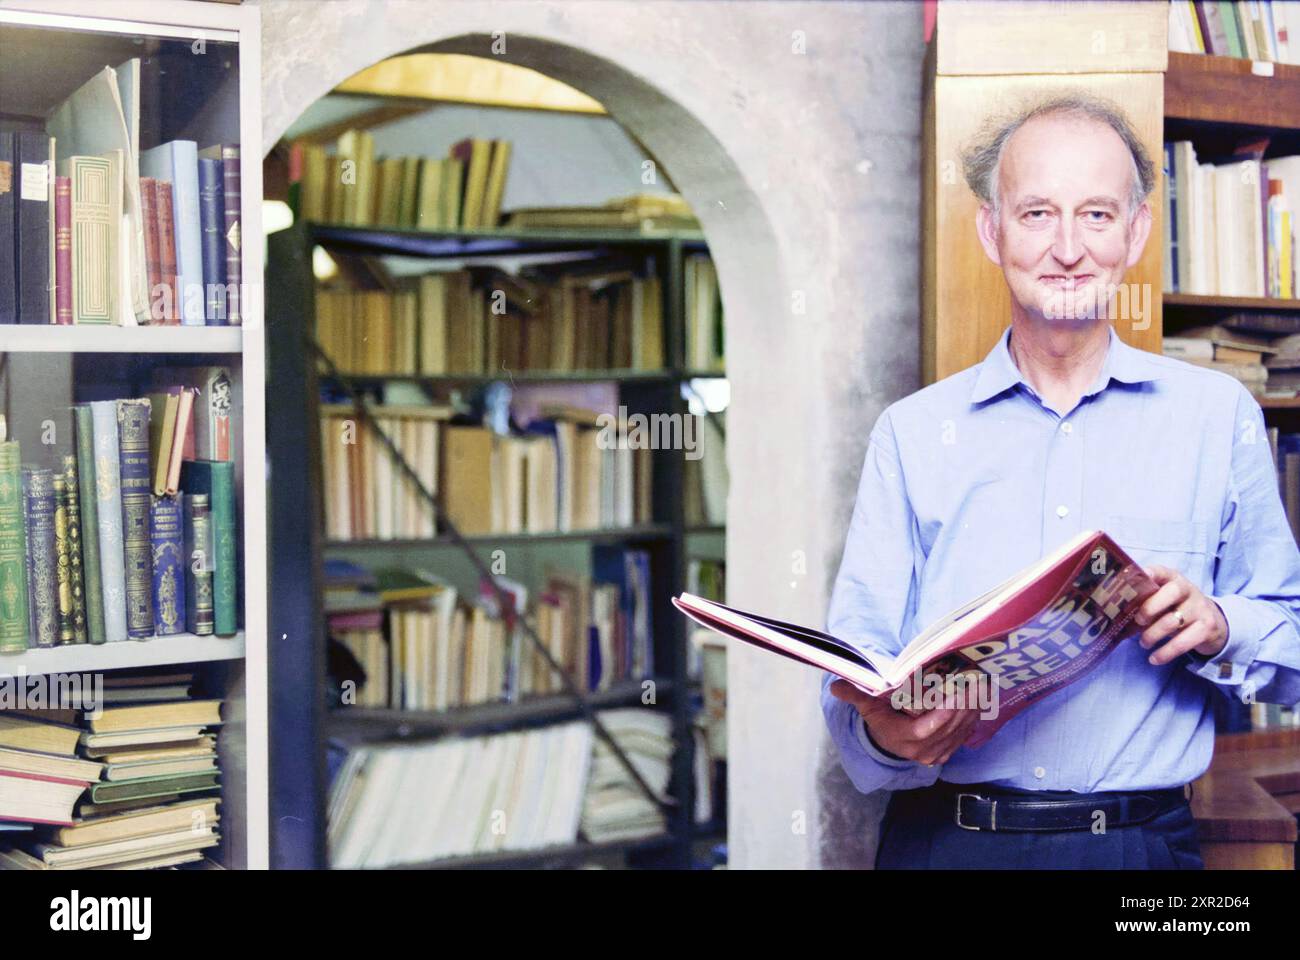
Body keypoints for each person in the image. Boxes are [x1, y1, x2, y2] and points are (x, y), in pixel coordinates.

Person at [822, 93, 1300, 869]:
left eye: (1098, 215)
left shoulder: (1220, 418)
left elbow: (1291, 639)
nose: (1068, 248)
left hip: (1141, 850)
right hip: (948, 844)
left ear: (1138, 232)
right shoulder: (910, 435)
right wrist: (886, 732)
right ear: (992, 229)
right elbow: (854, 680)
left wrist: (1222, 624)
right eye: (1038, 213)